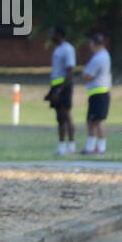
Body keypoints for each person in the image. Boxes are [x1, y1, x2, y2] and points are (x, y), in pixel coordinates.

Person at [45, 26, 76, 155]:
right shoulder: (57, 49)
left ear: (58, 34)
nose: (50, 36)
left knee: (66, 115)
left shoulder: (67, 49)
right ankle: (61, 146)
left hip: (64, 86)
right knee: (59, 118)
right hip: (56, 85)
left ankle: (71, 146)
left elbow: (70, 72)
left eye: (52, 33)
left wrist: (60, 90)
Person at [81, 32, 112, 154]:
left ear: (94, 43)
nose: (89, 46)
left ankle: (99, 147)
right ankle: (92, 146)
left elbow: (88, 75)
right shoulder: (104, 55)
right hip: (98, 93)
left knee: (97, 121)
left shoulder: (99, 57)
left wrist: (84, 73)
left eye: (90, 43)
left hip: (99, 93)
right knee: (92, 120)